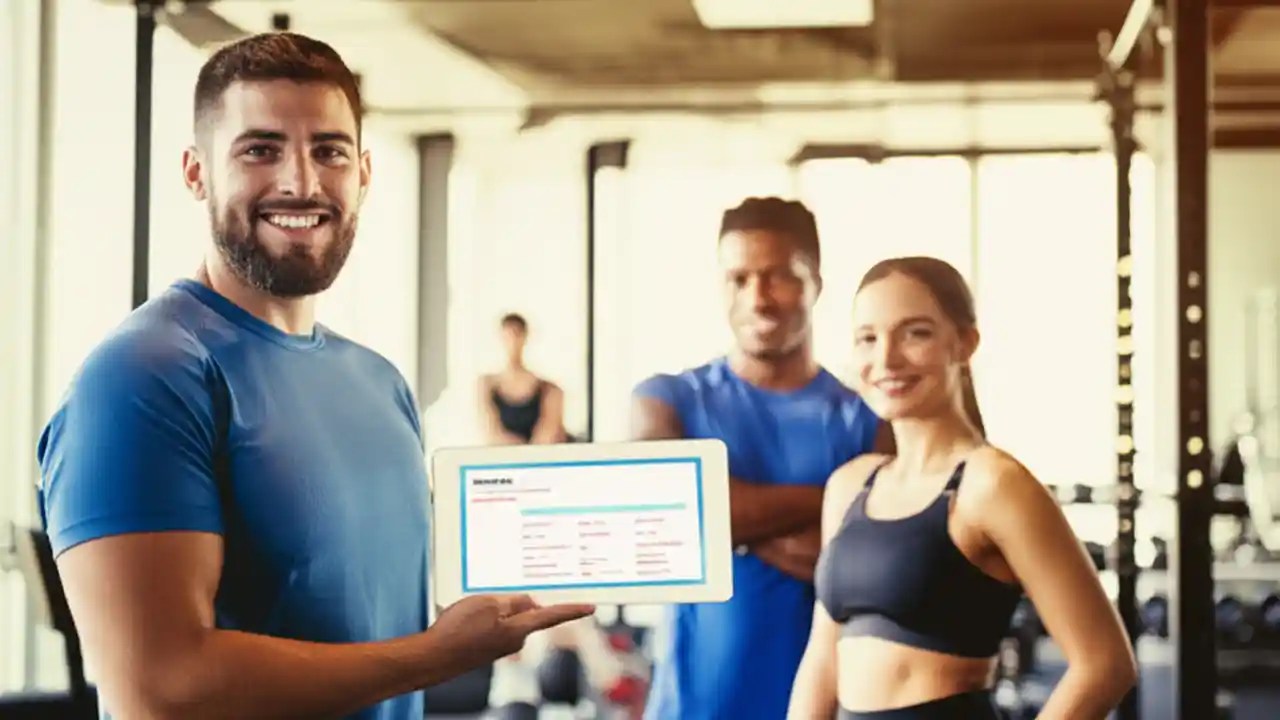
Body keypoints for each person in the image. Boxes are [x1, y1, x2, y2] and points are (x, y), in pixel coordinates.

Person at [35, 32, 590, 720]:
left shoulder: (380, 383)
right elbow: (159, 688)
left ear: (364, 173)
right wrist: (436, 655)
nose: (301, 182)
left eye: (329, 151)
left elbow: (362, 617)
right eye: (260, 150)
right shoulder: (141, 379)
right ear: (196, 173)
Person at [788, 256, 1138, 719]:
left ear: (964, 343)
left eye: (915, 333)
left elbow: (1105, 664)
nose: (886, 359)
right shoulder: (849, 485)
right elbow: (822, 656)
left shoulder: (993, 484)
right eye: (868, 338)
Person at [630, 197, 892, 720]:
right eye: (739, 279)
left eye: (779, 276)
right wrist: (837, 499)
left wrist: (722, 527)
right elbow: (667, 515)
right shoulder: (666, 399)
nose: (759, 298)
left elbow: (878, 573)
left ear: (816, 282)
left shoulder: (868, 417)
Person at [477, 313, 567, 445]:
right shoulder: (486, 386)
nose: (512, 342)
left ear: (525, 337)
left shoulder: (549, 390)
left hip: (538, 455)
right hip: (504, 456)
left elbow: (547, 435)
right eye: (508, 336)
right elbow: (491, 433)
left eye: (516, 335)